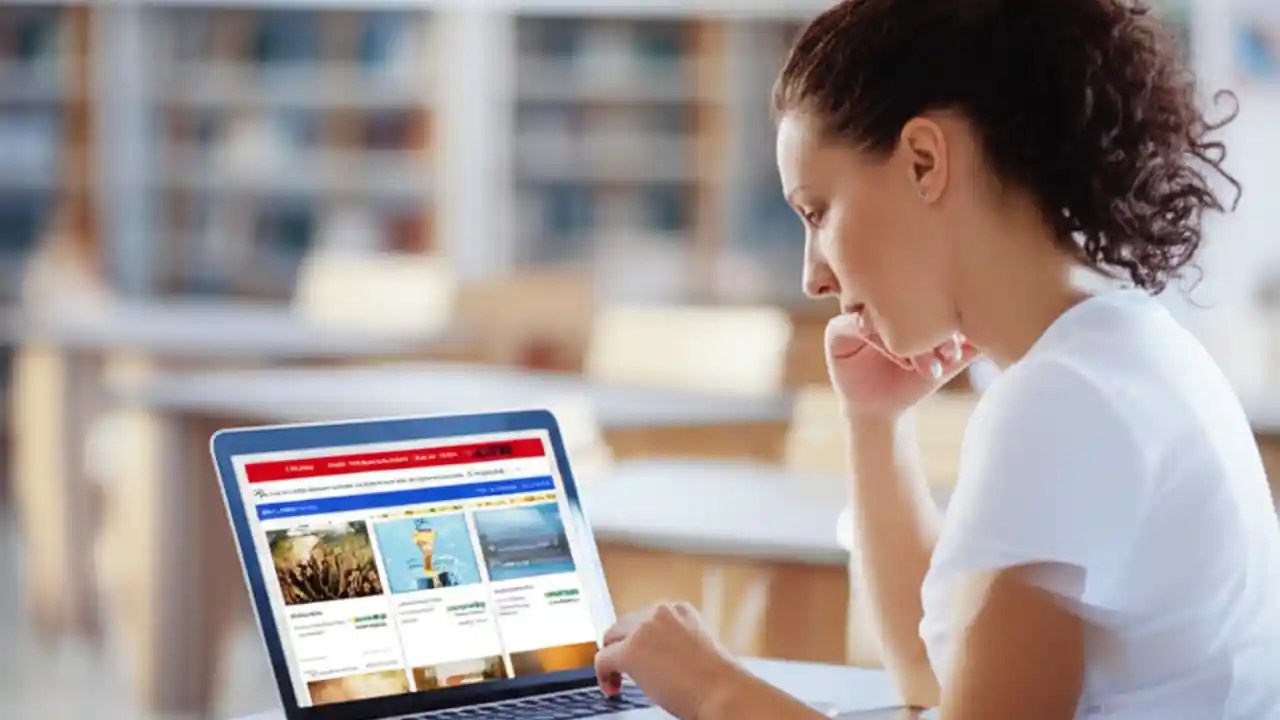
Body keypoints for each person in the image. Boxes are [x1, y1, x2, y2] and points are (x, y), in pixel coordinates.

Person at [593, 1, 1280, 718]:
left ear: (924, 161)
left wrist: (711, 687)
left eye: (818, 212)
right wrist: (875, 422)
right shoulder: (1127, 349)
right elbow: (935, 679)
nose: (812, 277)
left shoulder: (1060, 401)